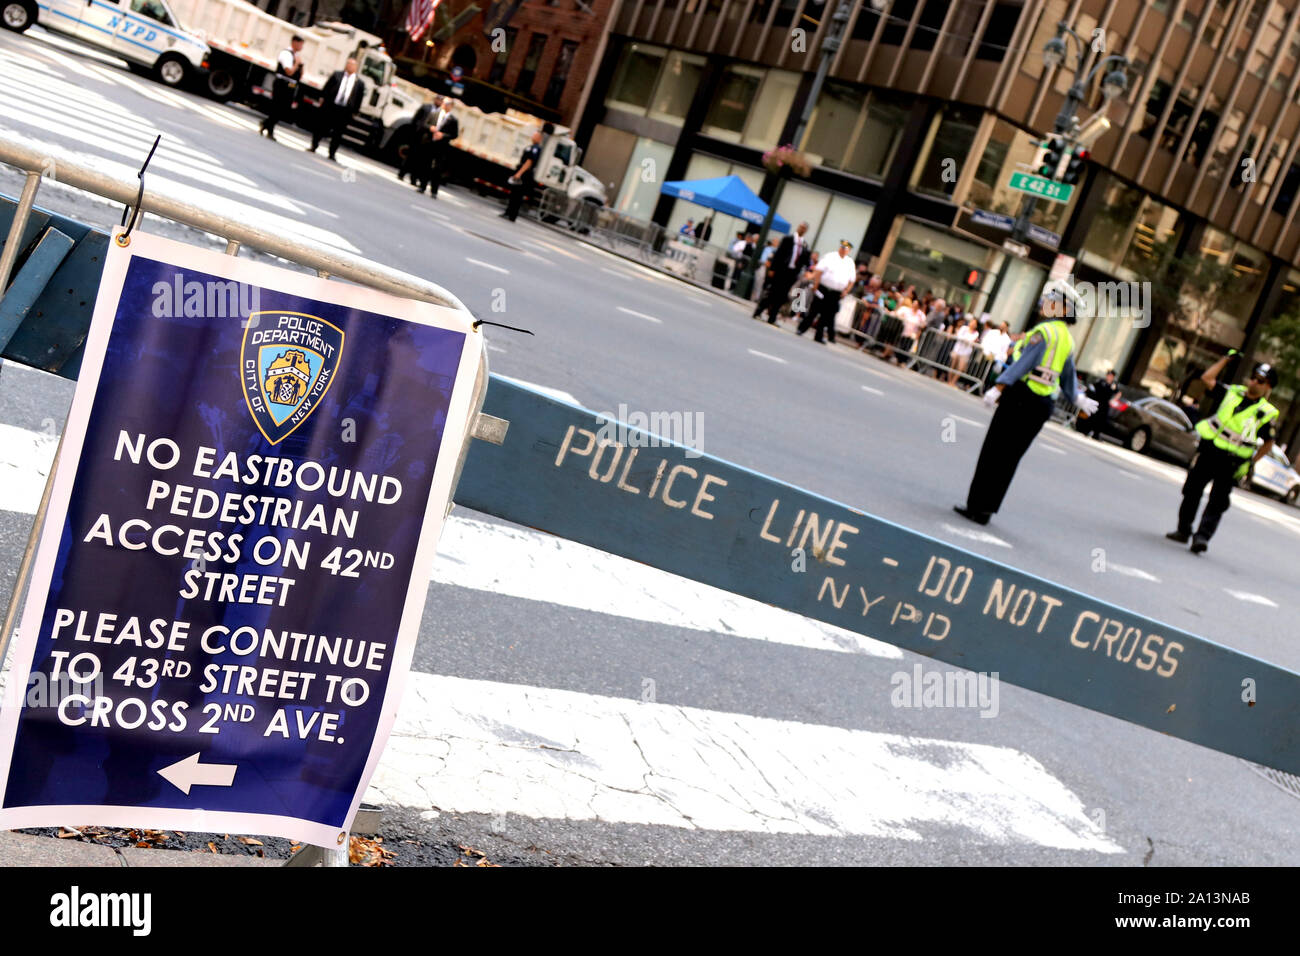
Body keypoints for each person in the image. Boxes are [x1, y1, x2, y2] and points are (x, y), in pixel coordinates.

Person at [953, 283, 1099, 525]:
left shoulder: (1045, 331)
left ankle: (975, 505)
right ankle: (987, 510)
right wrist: (1077, 397)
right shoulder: (1067, 339)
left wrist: (997, 387)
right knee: (1011, 457)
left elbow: (1025, 364)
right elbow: (1068, 375)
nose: (1044, 303)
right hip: (1042, 405)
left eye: (1051, 300)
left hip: (1021, 396)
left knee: (994, 451)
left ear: (1063, 308)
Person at [1166, 356, 1279, 554]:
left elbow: (1268, 443)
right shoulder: (1231, 392)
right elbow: (1207, 378)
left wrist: (1252, 462)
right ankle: (1183, 530)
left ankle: (1201, 538)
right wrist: (1225, 360)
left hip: (1233, 461)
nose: (1254, 382)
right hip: (1210, 451)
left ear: (1267, 387)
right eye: (1253, 377)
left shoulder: (1266, 412)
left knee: (1217, 502)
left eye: (1260, 381)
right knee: (1191, 490)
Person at [797, 239, 856, 344]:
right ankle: (802, 329)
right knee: (814, 310)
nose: (843, 250)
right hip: (823, 288)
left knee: (826, 314)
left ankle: (819, 336)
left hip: (836, 292)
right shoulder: (830, 256)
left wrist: (846, 290)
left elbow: (852, 280)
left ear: (849, 251)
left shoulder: (850, 262)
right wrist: (816, 284)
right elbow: (819, 271)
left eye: (845, 249)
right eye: (842, 247)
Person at [753, 222, 810, 323]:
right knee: (772, 293)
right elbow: (778, 254)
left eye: (804, 228)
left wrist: (806, 268)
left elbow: (805, 260)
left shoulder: (804, 244)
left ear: (806, 231)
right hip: (781, 270)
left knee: (782, 296)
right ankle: (758, 311)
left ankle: (772, 317)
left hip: (792, 273)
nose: (802, 229)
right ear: (798, 227)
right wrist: (772, 269)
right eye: (800, 227)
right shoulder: (788, 239)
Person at [308, 58, 364, 161]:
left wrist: (355, 112)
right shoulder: (337, 75)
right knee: (322, 127)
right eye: (348, 64)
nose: (349, 66)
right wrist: (322, 98)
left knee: (338, 133)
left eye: (352, 65)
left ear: (356, 67)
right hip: (331, 106)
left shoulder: (359, 82)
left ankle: (332, 153)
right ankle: (314, 145)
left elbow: (359, 98)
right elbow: (327, 87)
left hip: (345, 111)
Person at [260, 35, 304, 140]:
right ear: (294, 42)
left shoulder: (296, 56)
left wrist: (300, 66)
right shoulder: (286, 54)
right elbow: (288, 71)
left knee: (284, 109)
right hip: (282, 84)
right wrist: (297, 64)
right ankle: (269, 129)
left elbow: (299, 75)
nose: (301, 46)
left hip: (291, 85)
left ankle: (265, 124)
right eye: (300, 44)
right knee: (277, 107)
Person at [419, 97, 459, 197]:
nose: (445, 105)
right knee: (426, 165)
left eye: (448, 104)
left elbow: (454, 135)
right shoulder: (434, 114)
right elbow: (424, 124)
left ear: (451, 106)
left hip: (441, 147)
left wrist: (443, 135)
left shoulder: (453, 120)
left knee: (437, 169)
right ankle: (422, 186)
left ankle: (434, 191)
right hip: (430, 143)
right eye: (444, 103)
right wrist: (430, 128)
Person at [502, 129, 542, 221]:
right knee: (514, 193)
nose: (532, 137)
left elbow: (529, 161)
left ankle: (512, 214)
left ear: (539, 138)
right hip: (523, 172)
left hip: (525, 174)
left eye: (534, 135)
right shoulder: (531, 146)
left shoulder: (535, 148)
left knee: (517, 194)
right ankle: (508, 212)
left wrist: (519, 173)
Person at [397, 97, 437, 183]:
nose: (439, 101)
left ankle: (413, 179)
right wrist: (413, 131)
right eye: (438, 99)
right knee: (410, 156)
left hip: (428, 139)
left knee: (420, 160)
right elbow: (415, 119)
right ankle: (401, 174)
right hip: (418, 135)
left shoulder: (440, 113)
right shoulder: (426, 107)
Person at [1077, 369, 1120, 439]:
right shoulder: (1101, 381)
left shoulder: (1114, 385)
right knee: (1092, 417)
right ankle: (1086, 431)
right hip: (1097, 401)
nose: (1109, 377)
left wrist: (1113, 400)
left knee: (1101, 420)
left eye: (1111, 376)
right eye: (1109, 375)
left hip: (1105, 404)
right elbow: (1093, 387)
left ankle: (1096, 434)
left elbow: (1118, 393)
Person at [948, 316, 979, 386]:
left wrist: (965, 340)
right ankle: (949, 381)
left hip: (966, 352)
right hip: (957, 349)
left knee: (960, 368)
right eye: (972, 322)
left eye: (974, 323)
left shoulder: (976, 333)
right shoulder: (964, 328)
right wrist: (966, 339)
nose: (972, 324)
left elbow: (971, 340)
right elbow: (959, 336)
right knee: (953, 365)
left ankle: (953, 382)